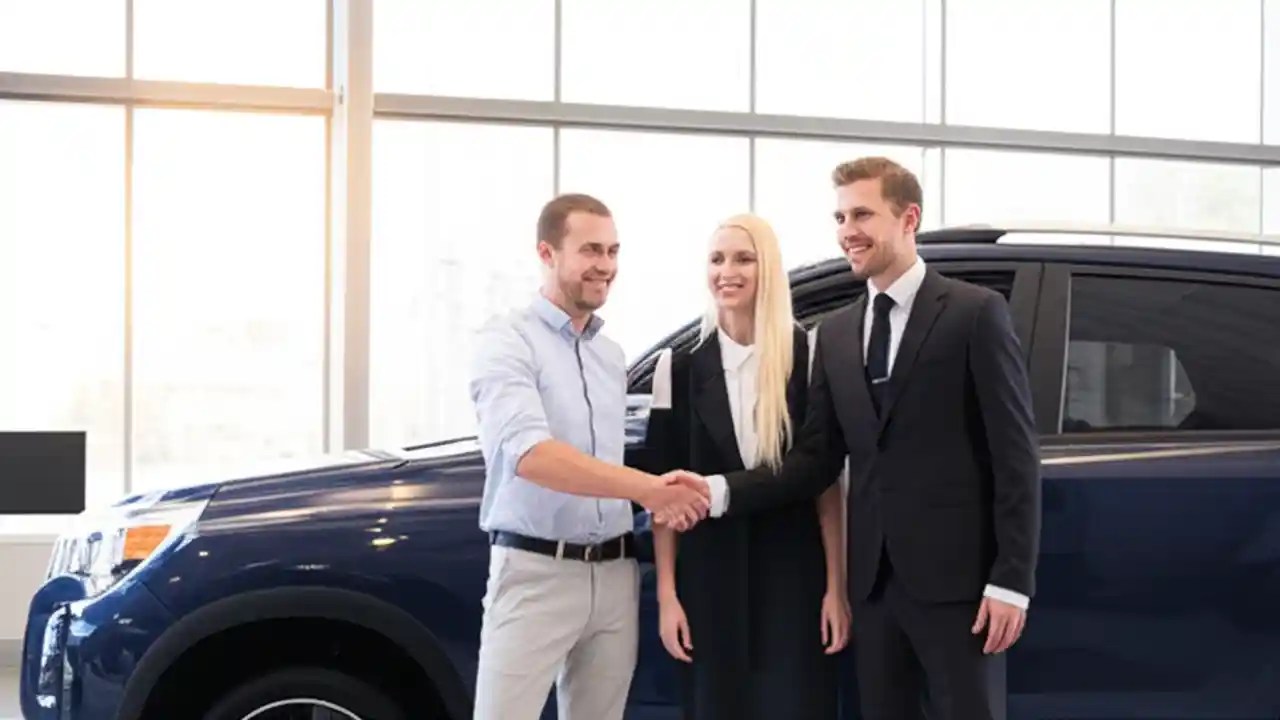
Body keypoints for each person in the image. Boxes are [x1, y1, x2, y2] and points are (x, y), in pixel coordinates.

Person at [674, 158, 1042, 720]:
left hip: (959, 590)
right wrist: (717, 491)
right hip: (872, 591)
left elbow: (1014, 457)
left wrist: (1011, 581)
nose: (848, 230)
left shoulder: (974, 314)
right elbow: (815, 461)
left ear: (908, 218)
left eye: (863, 215)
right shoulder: (837, 334)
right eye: (841, 217)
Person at [468, 192, 712, 720]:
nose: (605, 265)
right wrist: (649, 490)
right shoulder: (507, 341)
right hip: (536, 573)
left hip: (614, 576)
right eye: (590, 251)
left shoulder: (609, 356)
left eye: (612, 251)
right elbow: (532, 456)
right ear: (547, 253)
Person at [631, 214, 849, 720]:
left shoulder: (807, 357)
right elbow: (665, 493)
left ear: (766, 268)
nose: (727, 272)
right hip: (708, 580)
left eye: (743, 259)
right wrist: (668, 595)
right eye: (717, 259)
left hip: (795, 577)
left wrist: (835, 589)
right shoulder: (677, 369)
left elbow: (825, 483)